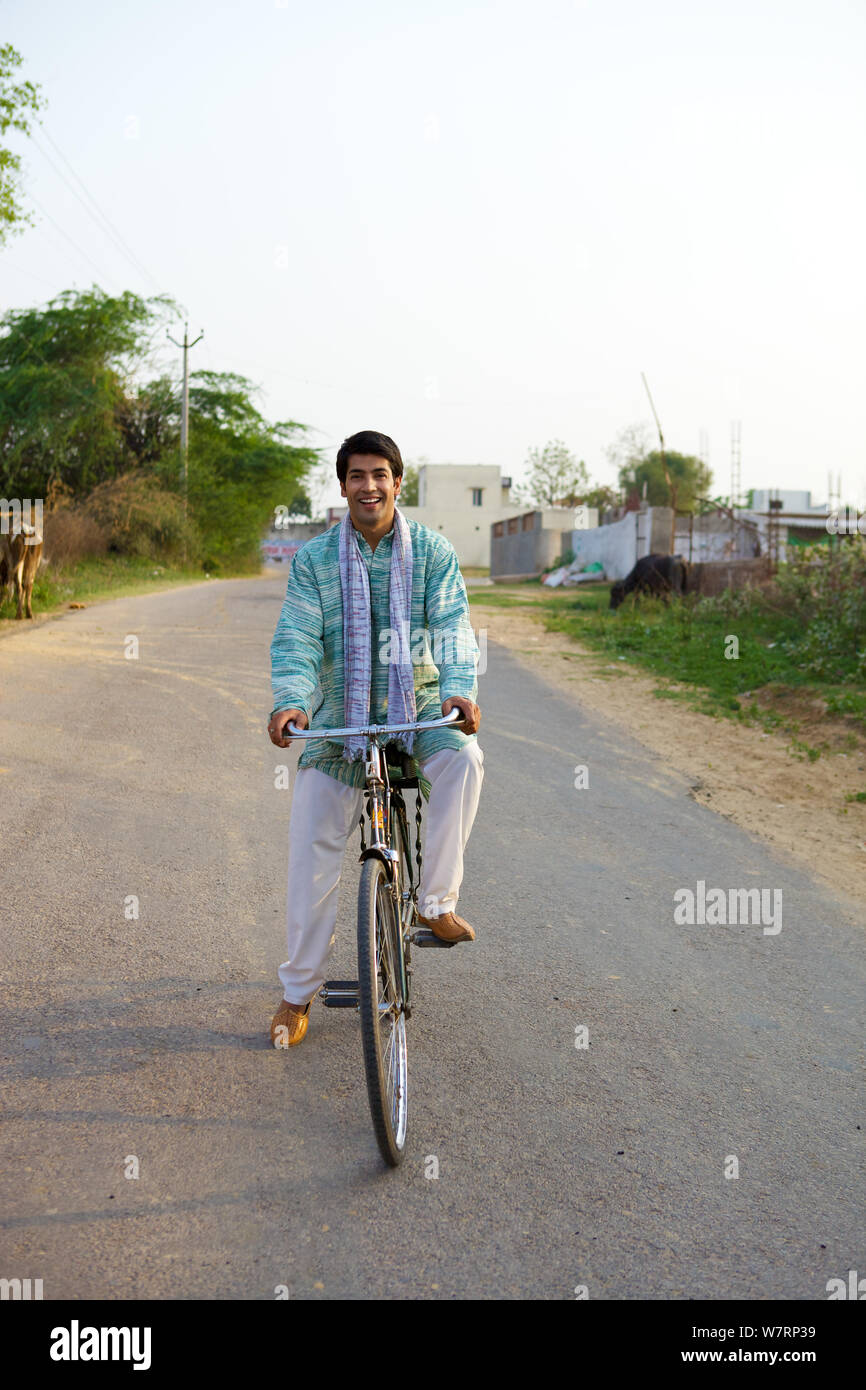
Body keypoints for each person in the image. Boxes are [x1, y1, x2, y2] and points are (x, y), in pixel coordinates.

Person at [267, 430, 485, 1048]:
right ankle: (297, 993)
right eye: (357, 475)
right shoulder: (314, 561)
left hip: (416, 707)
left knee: (464, 760)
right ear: (342, 486)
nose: (369, 486)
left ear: (396, 482)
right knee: (310, 842)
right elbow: (299, 639)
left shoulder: (434, 553)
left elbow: (451, 627)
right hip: (342, 715)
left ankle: (434, 904)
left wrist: (459, 689)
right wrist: (289, 702)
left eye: (380, 474)